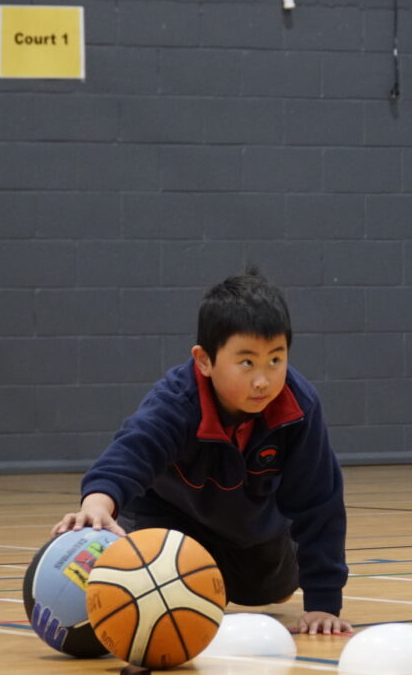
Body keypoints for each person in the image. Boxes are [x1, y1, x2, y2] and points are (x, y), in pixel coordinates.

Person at [52, 267, 352, 633]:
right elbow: (132, 452)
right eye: (247, 362)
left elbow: (320, 502)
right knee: (150, 593)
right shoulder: (177, 401)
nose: (263, 379)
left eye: (276, 359)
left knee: (269, 588)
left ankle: (259, 575)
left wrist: (323, 603)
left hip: (250, 530)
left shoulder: (299, 406)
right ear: (204, 360)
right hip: (167, 518)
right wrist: (96, 504)